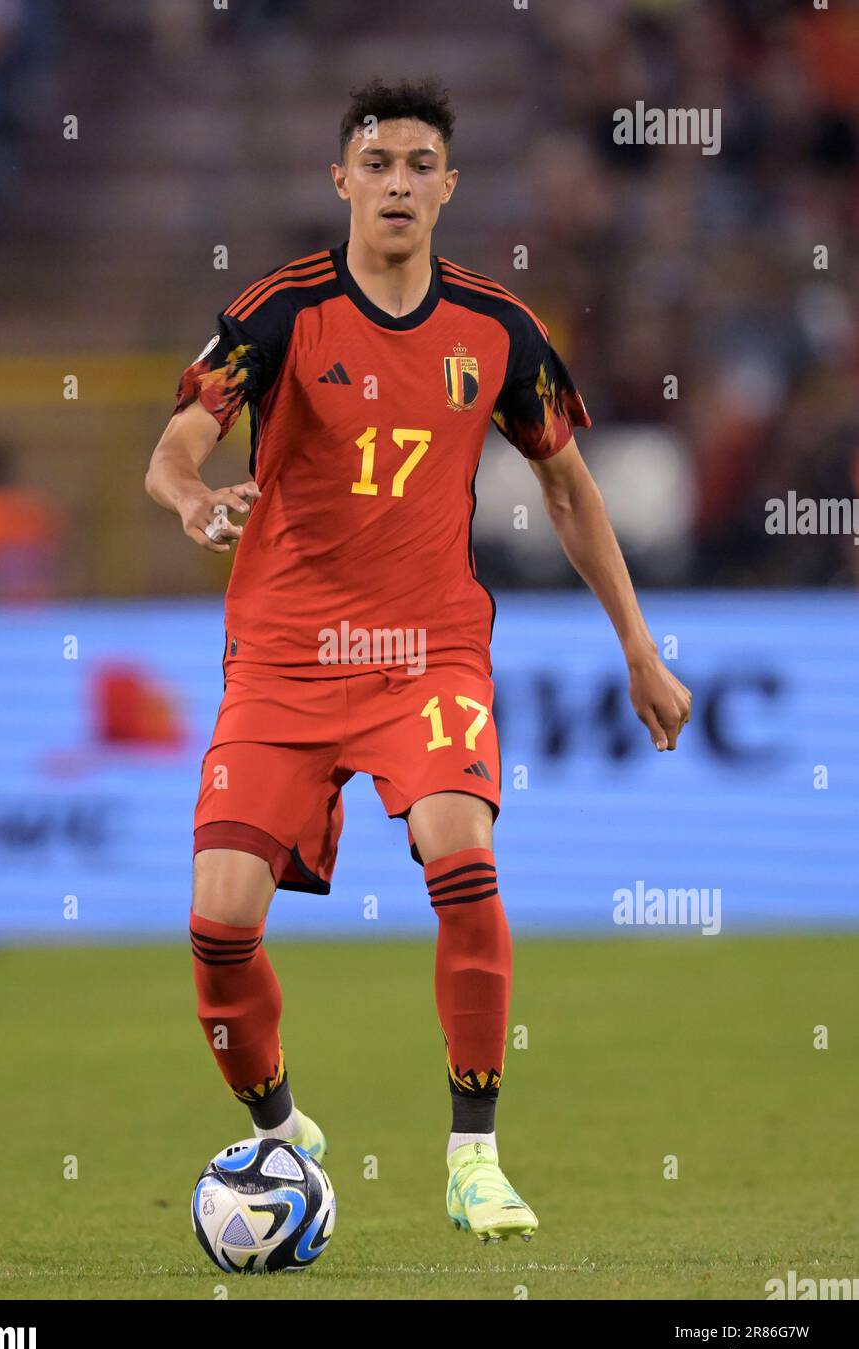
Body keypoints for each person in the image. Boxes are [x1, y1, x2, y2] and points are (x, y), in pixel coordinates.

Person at [145, 78, 692, 1245]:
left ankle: (473, 1156)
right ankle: (281, 1127)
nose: (396, 181)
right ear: (340, 179)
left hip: (424, 652)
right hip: (285, 658)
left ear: (447, 185)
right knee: (217, 925)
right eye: (375, 161)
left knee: (460, 852)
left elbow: (565, 485)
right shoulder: (279, 312)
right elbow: (176, 443)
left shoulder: (498, 328)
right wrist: (192, 498)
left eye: (417, 164)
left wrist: (639, 650)